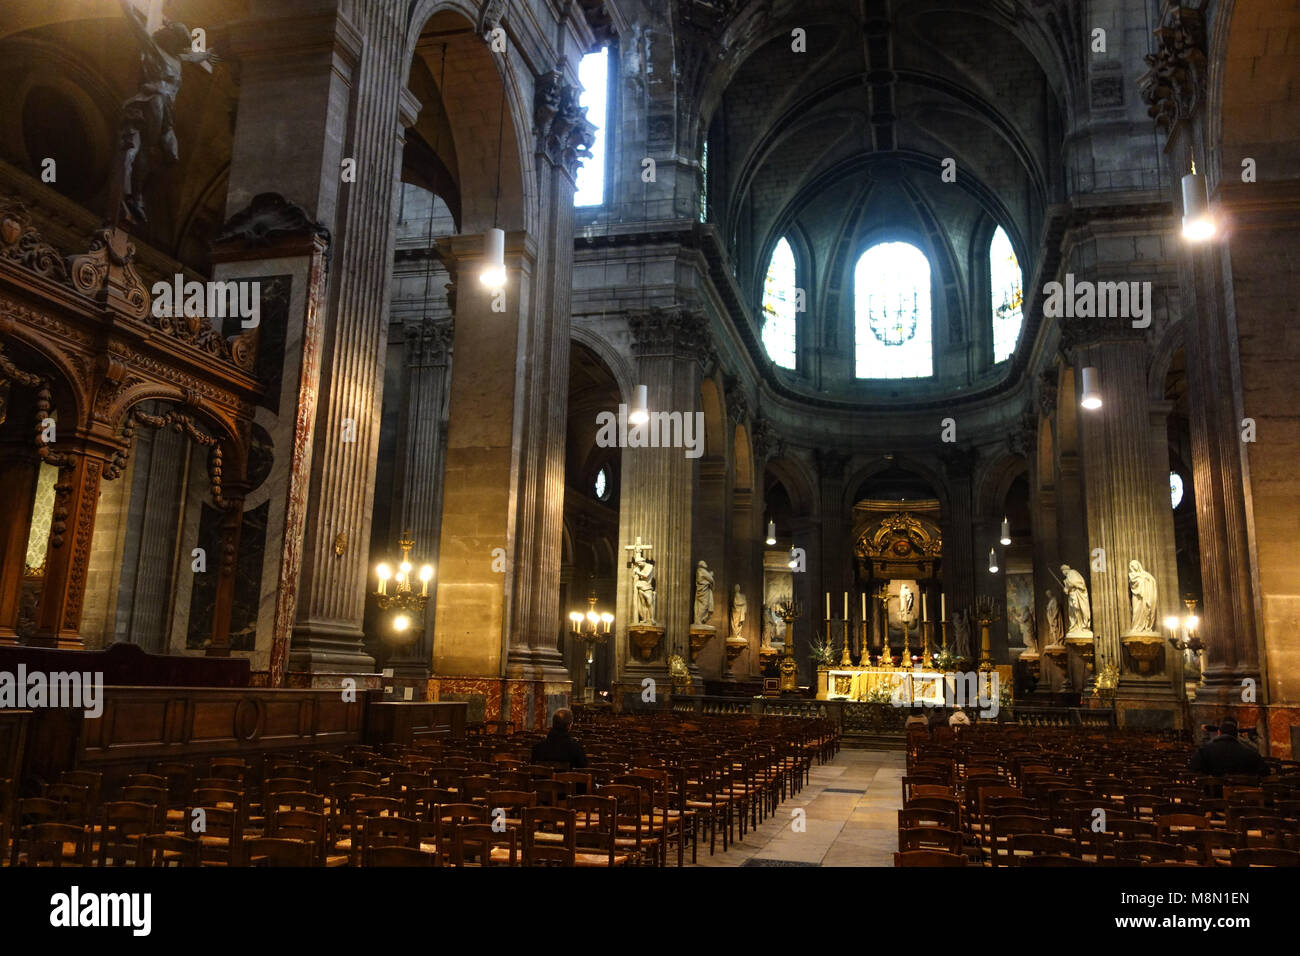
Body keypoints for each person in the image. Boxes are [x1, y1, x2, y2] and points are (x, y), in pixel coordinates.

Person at [1189, 717, 1269, 776]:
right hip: (1242, 796)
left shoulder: (1204, 751)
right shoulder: (1250, 753)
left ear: (1219, 733)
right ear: (1237, 735)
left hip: (1211, 796)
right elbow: (1265, 772)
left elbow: (1193, 769)